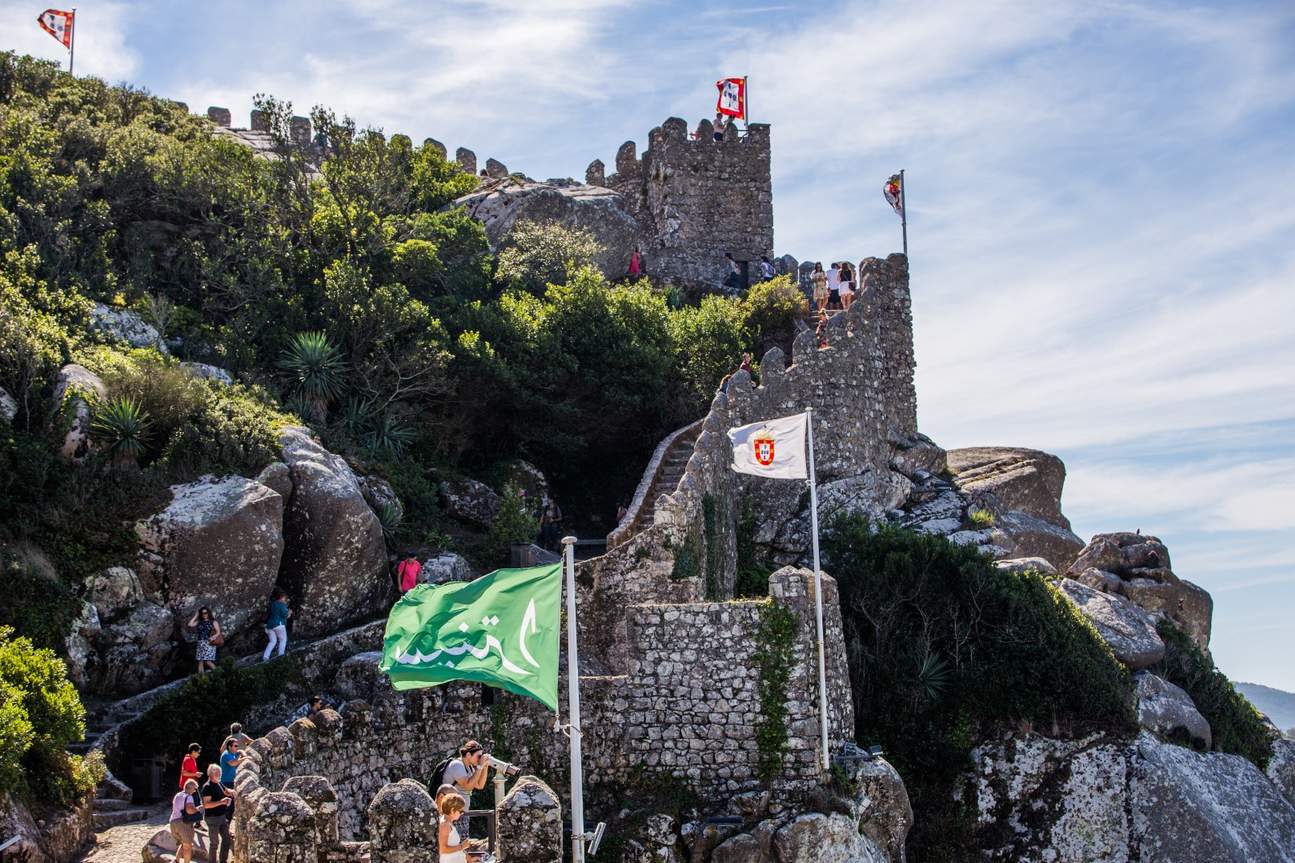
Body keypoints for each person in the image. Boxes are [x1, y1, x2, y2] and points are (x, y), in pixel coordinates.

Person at [443, 740, 491, 839]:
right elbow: (468, 786)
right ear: (468, 755)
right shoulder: (457, 765)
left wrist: (485, 767)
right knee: (456, 843)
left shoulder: (469, 768)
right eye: (478, 756)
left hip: (462, 813)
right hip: (452, 813)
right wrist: (480, 767)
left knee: (463, 843)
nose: (479, 759)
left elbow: (480, 785)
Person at [201, 763, 235, 863]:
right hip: (212, 818)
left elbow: (226, 791)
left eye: (220, 773)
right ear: (211, 774)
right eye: (218, 773)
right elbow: (206, 805)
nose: (220, 774)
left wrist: (232, 792)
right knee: (214, 843)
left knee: (227, 839)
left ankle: (223, 861)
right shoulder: (207, 787)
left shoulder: (218, 783)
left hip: (221, 817)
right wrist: (222, 802)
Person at [169, 779, 203, 863]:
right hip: (183, 823)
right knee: (188, 847)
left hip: (173, 822)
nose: (195, 791)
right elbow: (189, 810)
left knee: (183, 843)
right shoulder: (189, 797)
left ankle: (176, 861)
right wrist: (198, 809)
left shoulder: (178, 795)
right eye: (195, 789)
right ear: (190, 788)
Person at [438, 793, 472, 863]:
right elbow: (443, 849)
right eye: (460, 811)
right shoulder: (445, 825)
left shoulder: (448, 823)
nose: (462, 813)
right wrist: (462, 846)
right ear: (452, 810)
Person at [187, 606, 221, 674]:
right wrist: (196, 615)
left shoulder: (213, 622)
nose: (204, 614)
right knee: (200, 661)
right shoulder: (199, 622)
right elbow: (190, 624)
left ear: (208, 613)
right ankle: (202, 679)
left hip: (209, 642)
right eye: (202, 613)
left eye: (205, 613)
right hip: (200, 643)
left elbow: (218, 632)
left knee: (208, 661)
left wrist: (213, 637)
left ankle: (219, 674)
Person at [262, 588, 291, 661]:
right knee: (283, 640)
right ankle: (280, 656)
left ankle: (265, 657)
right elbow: (285, 615)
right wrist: (289, 612)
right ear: (282, 597)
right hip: (279, 625)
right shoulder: (282, 604)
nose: (285, 599)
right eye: (284, 597)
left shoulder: (273, 604)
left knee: (272, 641)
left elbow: (269, 614)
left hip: (269, 625)